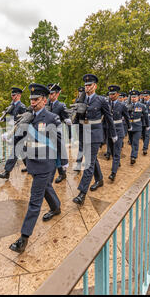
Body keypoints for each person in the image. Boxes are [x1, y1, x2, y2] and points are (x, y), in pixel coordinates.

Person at [9, 84, 68, 253]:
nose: (33, 103)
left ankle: (23, 238)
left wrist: (63, 160)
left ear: (44, 100)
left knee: (35, 201)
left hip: (45, 162)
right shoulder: (27, 116)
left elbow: (59, 139)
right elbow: (20, 138)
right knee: (45, 187)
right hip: (31, 161)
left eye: (36, 100)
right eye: (31, 100)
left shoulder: (52, 118)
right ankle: (56, 207)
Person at [72, 74, 117, 205]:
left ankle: (82, 193)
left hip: (95, 134)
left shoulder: (101, 100)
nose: (87, 87)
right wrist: (72, 123)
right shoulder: (80, 99)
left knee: (89, 163)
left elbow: (109, 118)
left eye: (89, 85)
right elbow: (77, 117)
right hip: (83, 133)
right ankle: (99, 179)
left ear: (95, 86)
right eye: (85, 85)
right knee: (92, 158)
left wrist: (113, 134)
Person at [0, 87, 28, 179]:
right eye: (11, 95)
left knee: (15, 151)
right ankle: (30, 167)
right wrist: (4, 119)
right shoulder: (12, 105)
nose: (12, 96)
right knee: (22, 150)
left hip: (21, 131)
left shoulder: (22, 106)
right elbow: (13, 119)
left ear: (19, 95)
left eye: (14, 95)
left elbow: (24, 119)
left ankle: (7, 172)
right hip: (15, 130)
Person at [47, 83, 71, 183]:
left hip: (57, 132)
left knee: (57, 154)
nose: (50, 96)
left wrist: (67, 120)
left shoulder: (61, 105)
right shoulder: (46, 105)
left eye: (52, 93)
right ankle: (52, 172)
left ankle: (61, 173)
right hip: (46, 132)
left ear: (57, 94)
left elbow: (66, 117)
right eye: (49, 94)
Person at [107, 85, 130, 182]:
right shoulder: (106, 104)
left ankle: (113, 172)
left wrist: (129, 126)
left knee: (117, 152)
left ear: (117, 94)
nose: (111, 96)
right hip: (109, 130)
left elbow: (127, 117)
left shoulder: (122, 105)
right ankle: (117, 162)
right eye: (110, 94)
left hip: (119, 130)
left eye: (113, 94)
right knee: (112, 150)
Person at [128, 90, 149, 165]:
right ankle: (133, 152)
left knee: (135, 142)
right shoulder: (127, 106)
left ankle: (133, 156)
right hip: (130, 126)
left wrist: (147, 125)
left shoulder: (142, 106)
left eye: (135, 97)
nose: (133, 98)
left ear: (138, 97)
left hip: (138, 126)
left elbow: (146, 117)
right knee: (131, 141)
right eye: (132, 97)